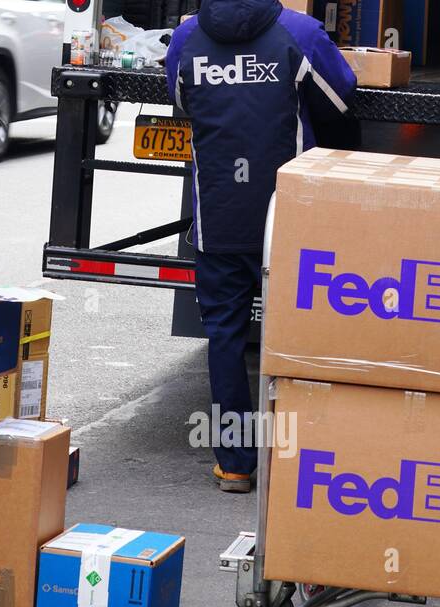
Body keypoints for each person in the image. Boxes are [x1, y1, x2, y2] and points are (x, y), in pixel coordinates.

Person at [166, 0, 356, 493]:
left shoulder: (186, 39)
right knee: (298, 335)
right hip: (285, 218)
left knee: (226, 338)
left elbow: (183, 102)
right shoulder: (301, 33)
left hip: (219, 216)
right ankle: (303, 461)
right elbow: (341, 97)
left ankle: (235, 465)